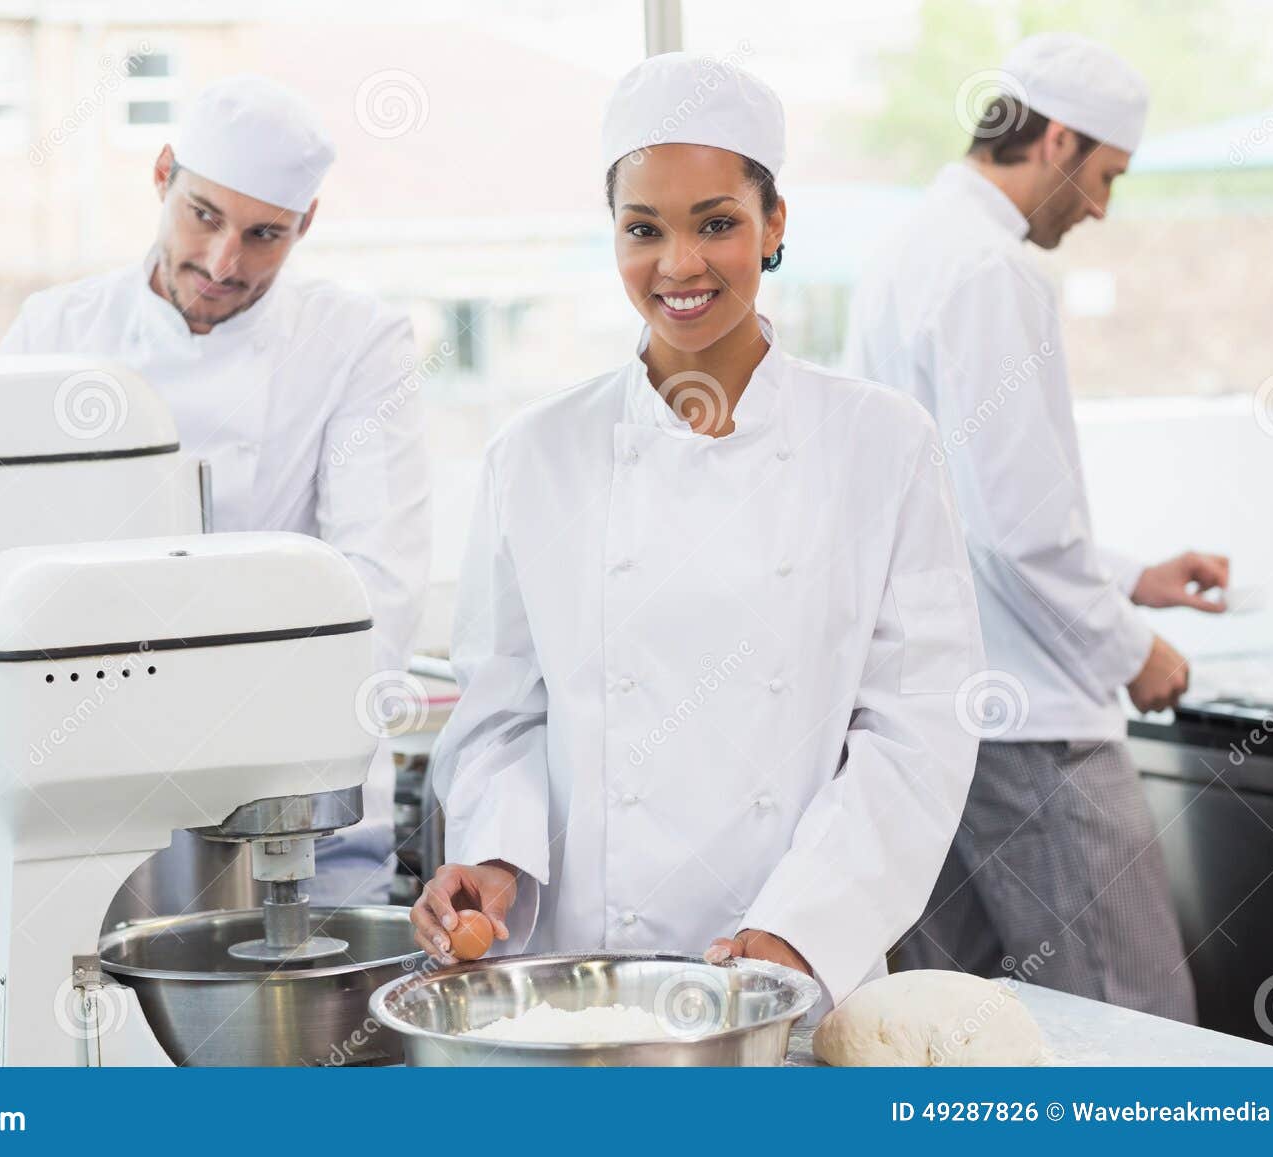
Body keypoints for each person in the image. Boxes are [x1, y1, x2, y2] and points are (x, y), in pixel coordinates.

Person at [411, 53, 984, 1006]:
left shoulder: (879, 442)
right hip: (580, 980)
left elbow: (919, 724)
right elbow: (502, 711)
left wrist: (801, 927)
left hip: (792, 968)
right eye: (644, 229)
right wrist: (493, 857)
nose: (678, 265)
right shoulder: (537, 452)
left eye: (716, 223)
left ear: (773, 226)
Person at [0, 75, 431, 903]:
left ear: (307, 226)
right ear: (162, 174)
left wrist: (306, 764)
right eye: (204, 216)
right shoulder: (56, 331)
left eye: (265, 236)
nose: (224, 263)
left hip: (288, 805)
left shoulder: (358, 342)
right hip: (84, 786)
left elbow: (379, 582)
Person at [844, 33, 1227, 1020]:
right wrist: (1129, 645)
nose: (1101, 205)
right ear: (1056, 142)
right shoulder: (991, 272)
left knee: (948, 1019)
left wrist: (1134, 572)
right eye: (1105, 176)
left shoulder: (904, 250)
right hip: (1036, 726)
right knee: (1129, 1018)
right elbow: (1016, 529)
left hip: (932, 713)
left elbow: (954, 501)